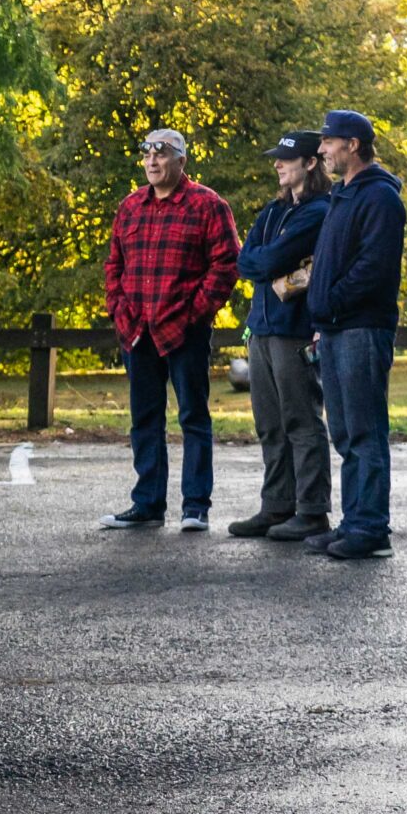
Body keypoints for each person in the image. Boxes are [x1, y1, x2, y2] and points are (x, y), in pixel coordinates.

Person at [99, 128, 240, 532]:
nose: (152, 162)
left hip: (184, 331)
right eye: (146, 154)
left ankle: (195, 507)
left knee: (193, 417)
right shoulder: (130, 208)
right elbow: (114, 266)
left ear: (181, 160)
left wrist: (195, 312)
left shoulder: (208, 205)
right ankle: (147, 505)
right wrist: (118, 307)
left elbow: (227, 265)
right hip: (137, 332)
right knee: (145, 420)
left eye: (161, 154)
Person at [303, 108, 406, 561]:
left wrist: (333, 301)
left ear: (354, 146)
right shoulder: (344, 195)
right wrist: (322, 320)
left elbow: (373, 268)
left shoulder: (380, 198)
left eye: (329, 142)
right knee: (344, 433)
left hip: (362, 328)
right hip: (336, 329)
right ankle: (354, 521)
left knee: (365, 432)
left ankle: (370, 529)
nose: (321, 149)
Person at [227, 130, 332, 542]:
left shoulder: (319, 210)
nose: (277, 164)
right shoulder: (273, 212)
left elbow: (267, 258)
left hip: (296, 332)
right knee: (269, 423)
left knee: (301, 419)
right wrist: (265, 263)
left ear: (309, 163)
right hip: (262, 329)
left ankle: (312, 510)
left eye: (285, 159)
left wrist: (266, 262)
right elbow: (246, 260)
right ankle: (276, 506)